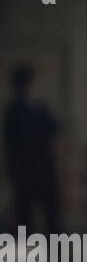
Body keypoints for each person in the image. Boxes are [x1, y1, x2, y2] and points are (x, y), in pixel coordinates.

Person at [3, 64, 61, 237]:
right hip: (33, 169)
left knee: (32, 215)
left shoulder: (21, 109)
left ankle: (39, 254)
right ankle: (51, 254)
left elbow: (54, 128)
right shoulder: (20, 109)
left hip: (31, 170)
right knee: (39, 215)